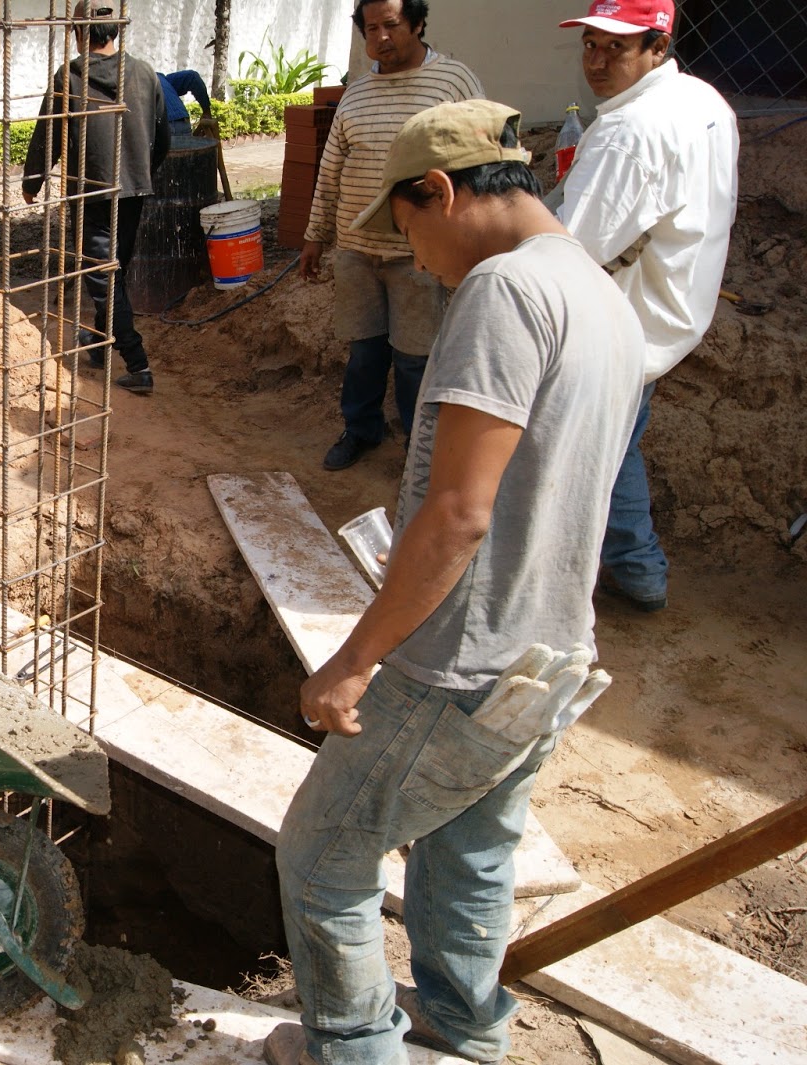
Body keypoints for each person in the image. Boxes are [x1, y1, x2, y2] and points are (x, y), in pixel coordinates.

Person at [262, 100, 644, 1065]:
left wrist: (353, 660)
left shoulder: (505, 293)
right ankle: (466, 1033)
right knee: (471, 853)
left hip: (463, 662)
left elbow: (459, 512)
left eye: (409, 231)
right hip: (548, 655)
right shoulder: (599, 293)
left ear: (439, 190)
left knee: (320, 858)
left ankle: (353, 1049)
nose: (416, 260)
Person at [555, 0, 739, 613]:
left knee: (586, 452)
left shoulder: (629, 132)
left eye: (617, 47)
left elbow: (569, 249)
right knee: (617, 443)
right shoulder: (704, 101)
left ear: (656, 48)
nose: (597, 61)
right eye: (589, 44)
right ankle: (636, 571)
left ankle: (626, 572)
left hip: (618, 323)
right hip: (669, 310)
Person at [303, 0, 482, 471]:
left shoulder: (454, 82)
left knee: (414, 360)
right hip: (358, 251)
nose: (380, 37)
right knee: (364, 352)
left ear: (418, 24)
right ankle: (361, 429)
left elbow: (482, 160)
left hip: (419, 255)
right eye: (371, 28)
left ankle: (418, 450)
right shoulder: (356, 94)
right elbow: (331, 168)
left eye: (392, 25)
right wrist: (315, 235)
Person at [22, 1, 169, 396]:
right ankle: (101, 347)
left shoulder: (69, 76)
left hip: (93, 191)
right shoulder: (143, 73)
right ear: (117, 31)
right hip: (134, 189)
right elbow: (163, 136)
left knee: (102, 275)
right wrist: (141, 173)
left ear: (78, 33)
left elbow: (47, 133)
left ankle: (137, 364)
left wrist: (32, 182)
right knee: (112, 272)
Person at [158, 68, 212, 139]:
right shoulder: (160, 78)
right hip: (182, 123)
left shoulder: (139, 80)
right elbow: (192, 76)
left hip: (161, 126)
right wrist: (206, 111)